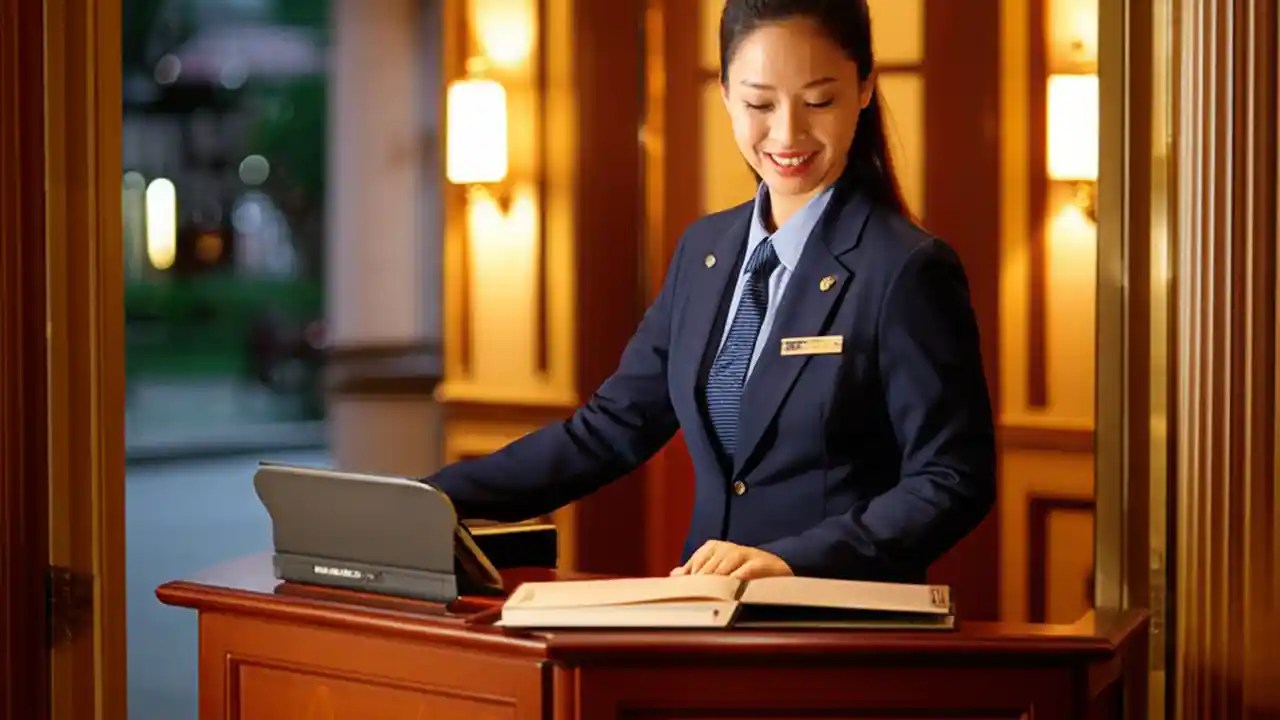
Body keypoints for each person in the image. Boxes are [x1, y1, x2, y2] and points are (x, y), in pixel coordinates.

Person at [425, 0, 995, 583]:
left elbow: (953, 477)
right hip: (704, 610)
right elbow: (610, 430)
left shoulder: (906, 268)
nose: (787, 133)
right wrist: (429, 500)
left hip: (833, 617)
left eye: (819, 101)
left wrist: (793, 559)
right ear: (725, 94)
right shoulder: (705, 250)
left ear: (865, 87)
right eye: (759, 104)